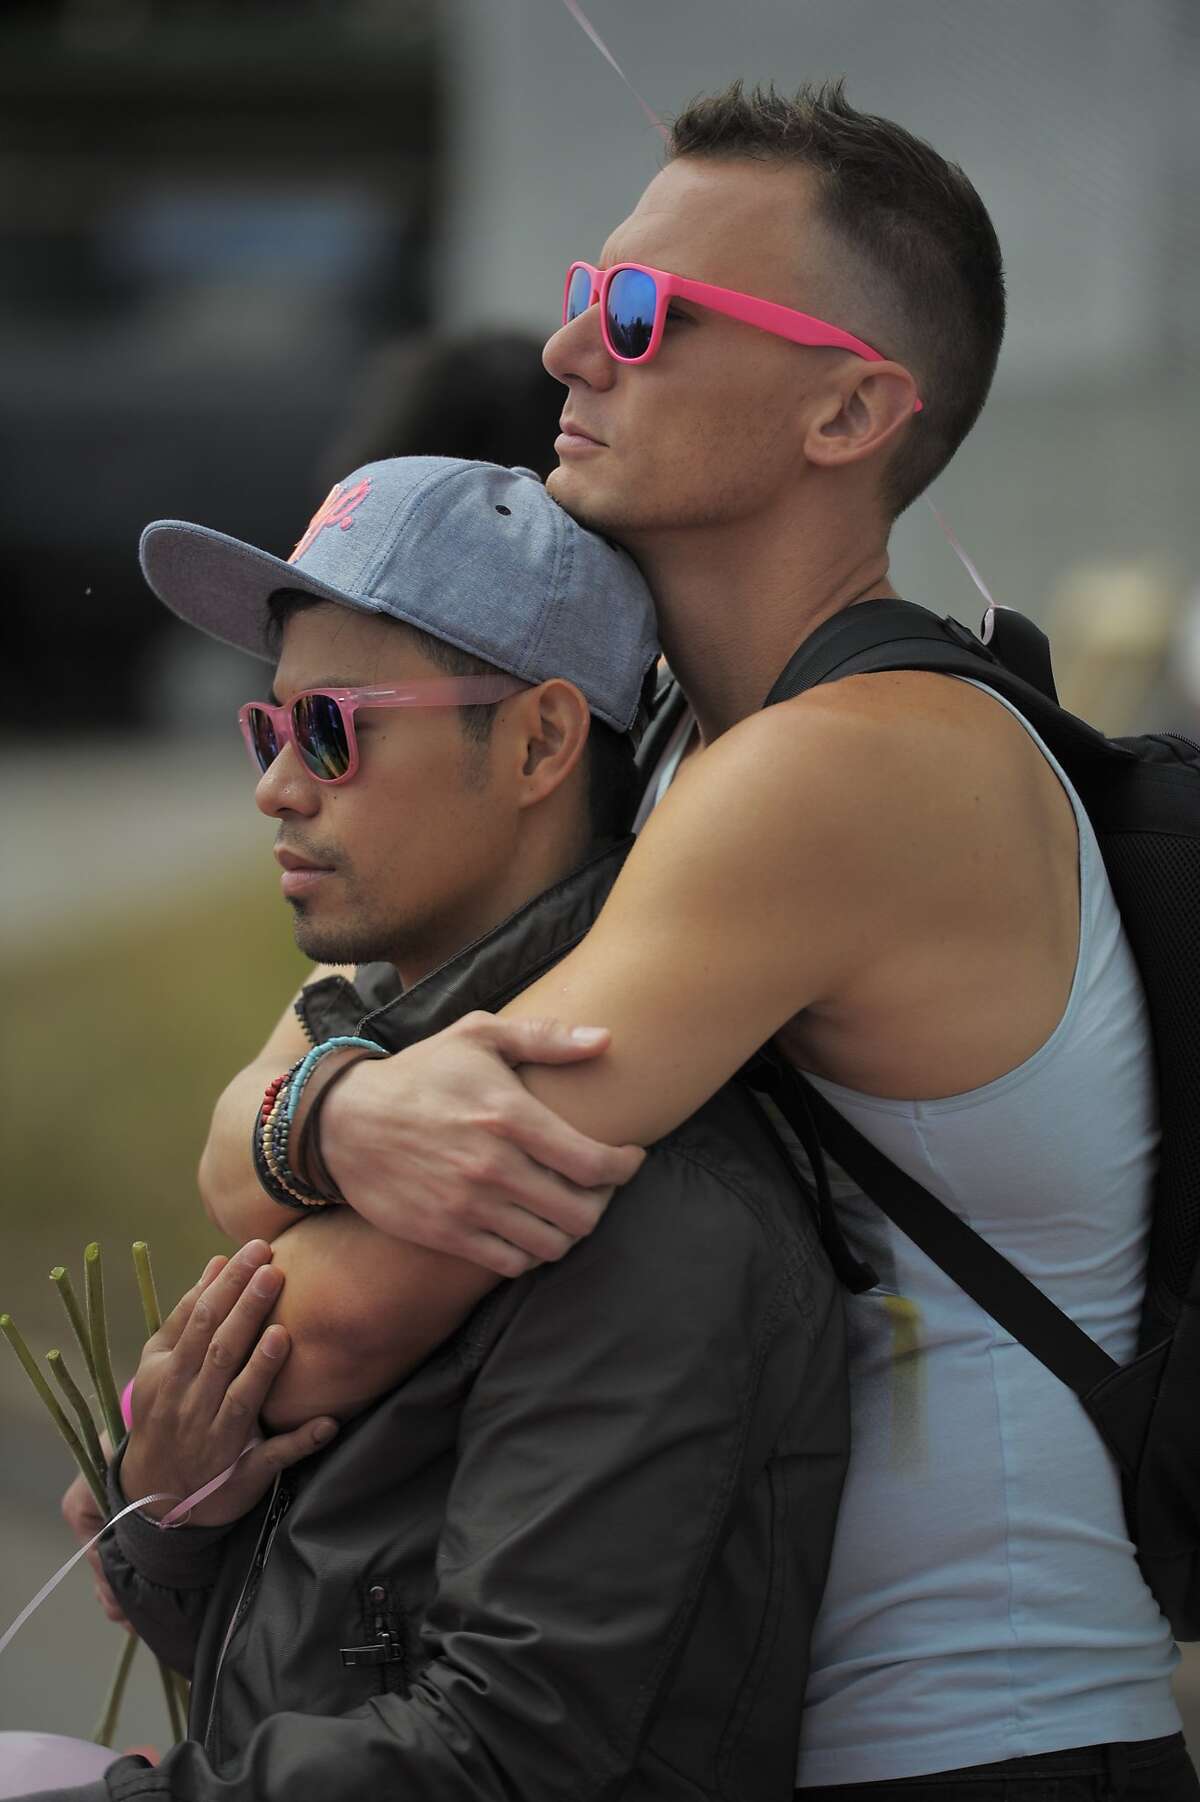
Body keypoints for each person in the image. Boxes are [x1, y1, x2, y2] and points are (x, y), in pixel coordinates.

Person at [183, 78, 1195, 1800]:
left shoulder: (849, 771)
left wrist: (229, 1283)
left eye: (645, 315)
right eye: (591, 292)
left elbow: (337, 1318)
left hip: (981, 1742)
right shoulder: (691, 750)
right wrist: (333, 1115)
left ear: (850, 409)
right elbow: (290, 1078)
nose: (573, 349)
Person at [39, 454, 847, 1802]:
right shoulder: (383, 1088)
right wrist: (176, 1520)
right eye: (268, 728)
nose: (277, 788)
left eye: (335, 730)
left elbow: (506, 1751)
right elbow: (303, 1657)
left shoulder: (619, 1189)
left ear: (539, 741)